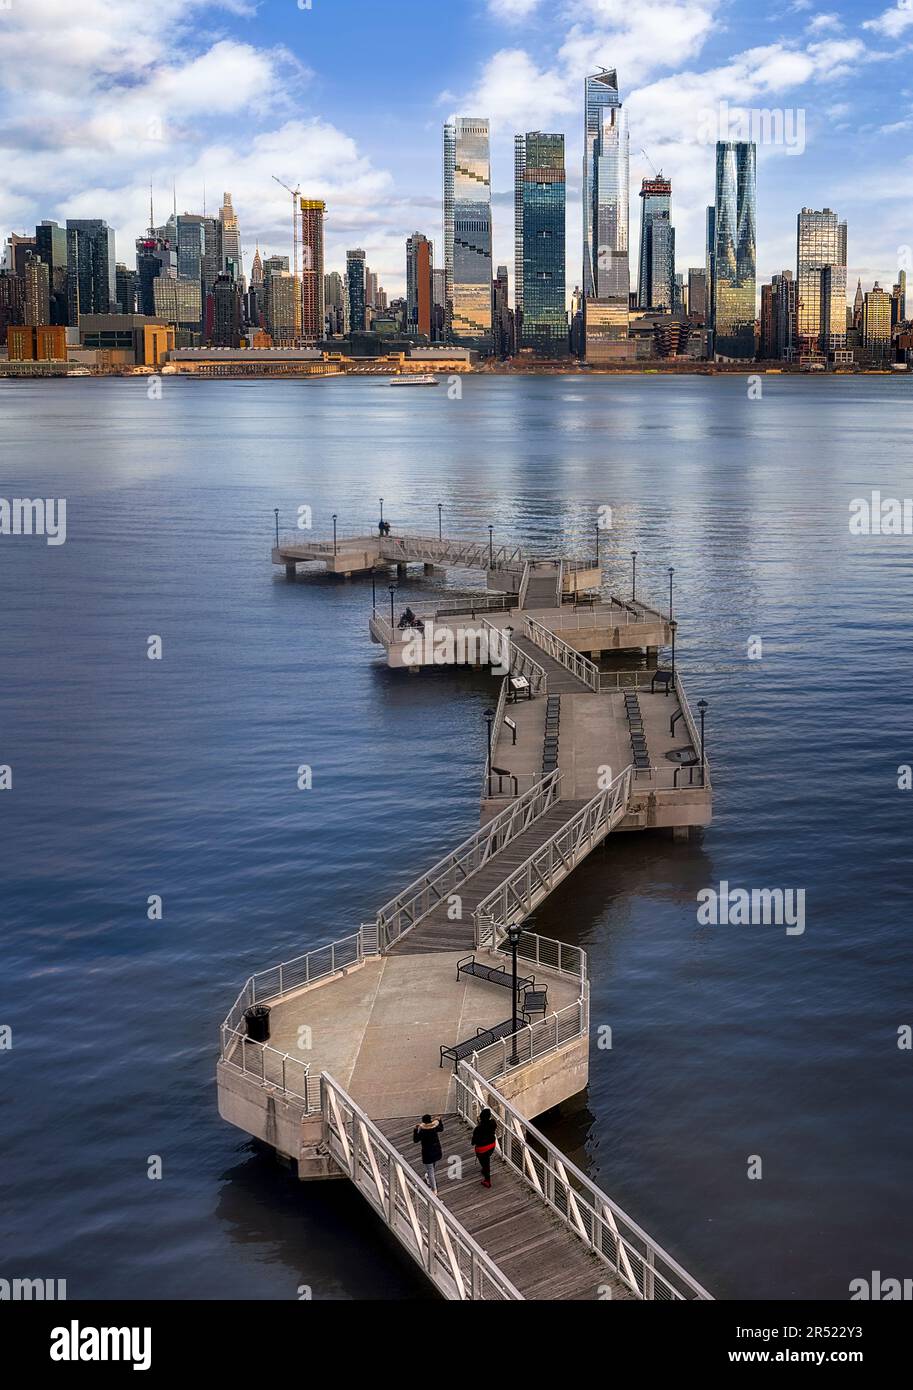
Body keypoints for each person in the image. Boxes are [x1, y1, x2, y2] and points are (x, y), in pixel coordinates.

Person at [413, 1114, 444, 1192]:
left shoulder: (422, 1130)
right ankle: (429, 1179)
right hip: (436, 1150)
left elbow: (416, 1140)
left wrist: (415, 1130)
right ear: (430, 1120)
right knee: (432, 1166)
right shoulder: (434, 1127)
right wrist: (439, 1121)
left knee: (430, 1171)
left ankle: (434, 1189)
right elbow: (441, 1129)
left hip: (427, 1152)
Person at [471, 1107, 497, 1188]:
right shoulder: (493, 1123)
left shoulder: (478, 1129)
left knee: (485, 1164)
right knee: (487, 1159)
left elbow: (474, 1141)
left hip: (482, 1149)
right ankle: (484, 1170)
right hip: (492, 1145)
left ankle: (487, 1181)